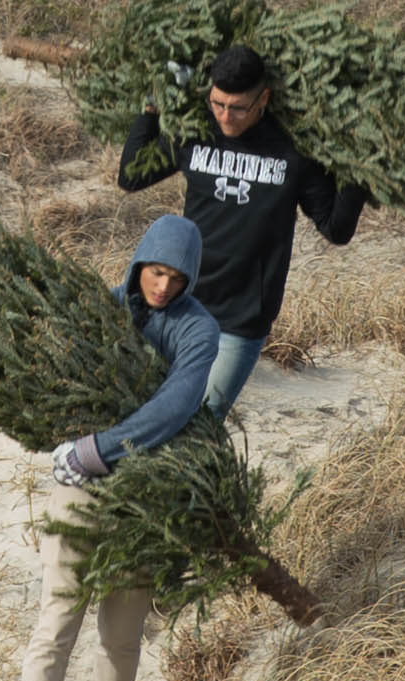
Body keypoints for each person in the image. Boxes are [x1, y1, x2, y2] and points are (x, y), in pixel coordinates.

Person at [0, 214, 217, 681]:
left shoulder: (199, 331)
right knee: (57, 621)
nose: (162, 287)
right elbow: (59, 382)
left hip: (146, 495)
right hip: (79, 489)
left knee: (123, 622)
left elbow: (175, 405)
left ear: (190, 279)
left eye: (175, 277)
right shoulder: (100, 310)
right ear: (138, 264)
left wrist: (101, 448)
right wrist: (64, 444)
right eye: (154, 272)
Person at [116, 43, 367, 417]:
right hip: (179, 302)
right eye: (217, 103)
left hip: (240, 318)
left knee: (198, 424)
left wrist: (363, 163)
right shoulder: (197, 131)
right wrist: (152, 107)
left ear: (263, 98)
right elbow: (132, 175)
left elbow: (337, 229)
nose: (225, 117)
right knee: (141, 411)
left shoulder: (294, 150)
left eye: (237, 108)